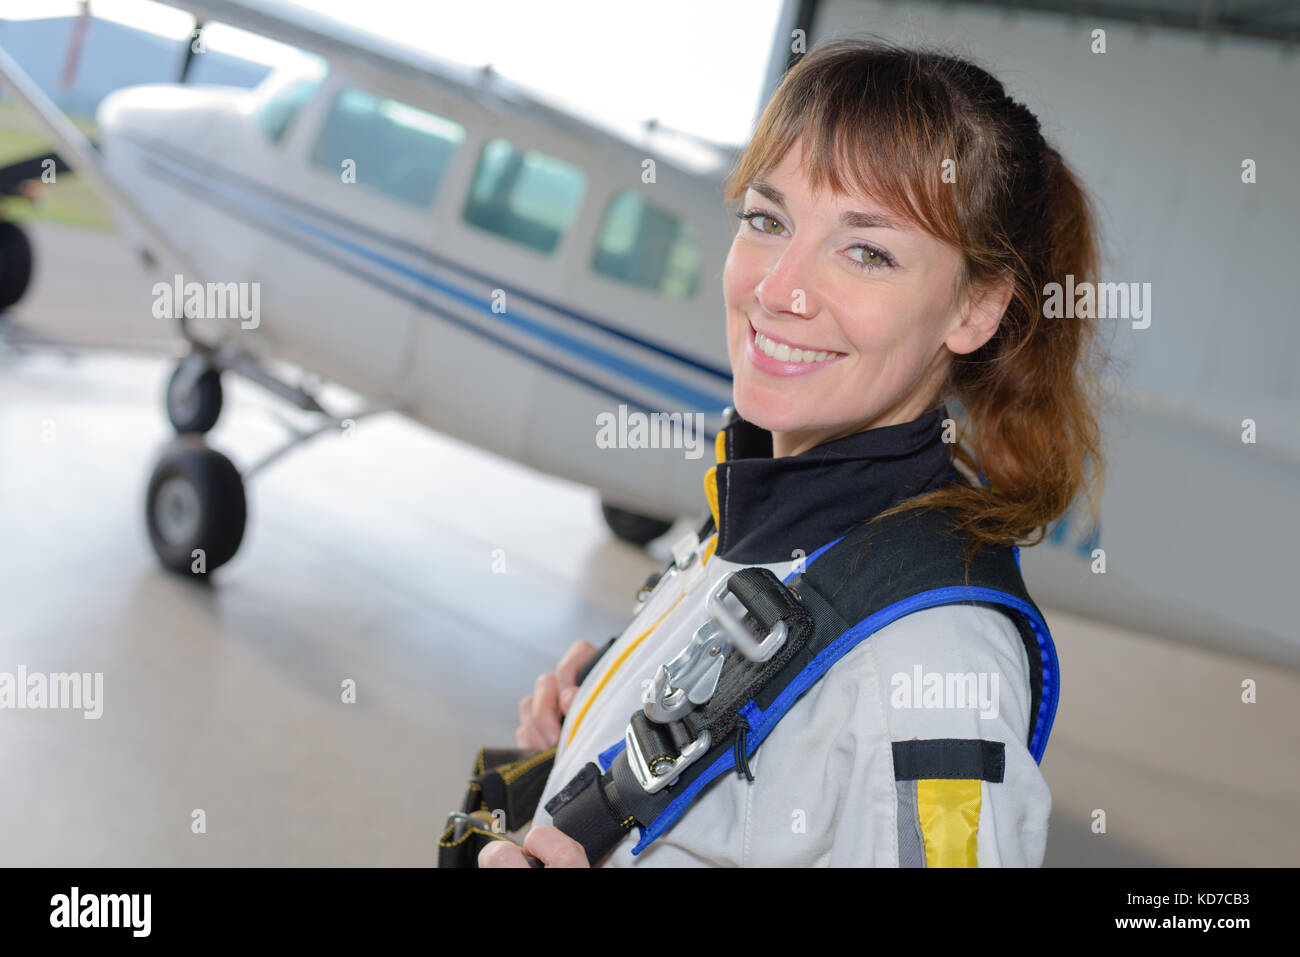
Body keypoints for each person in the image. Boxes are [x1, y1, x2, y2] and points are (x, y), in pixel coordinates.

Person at [479, 35, 1105, 868]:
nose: (778, 290)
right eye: (769, 220)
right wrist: (607, 713)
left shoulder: (931, 674)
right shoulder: (768, 520)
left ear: (977, 308)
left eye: (867, 251)